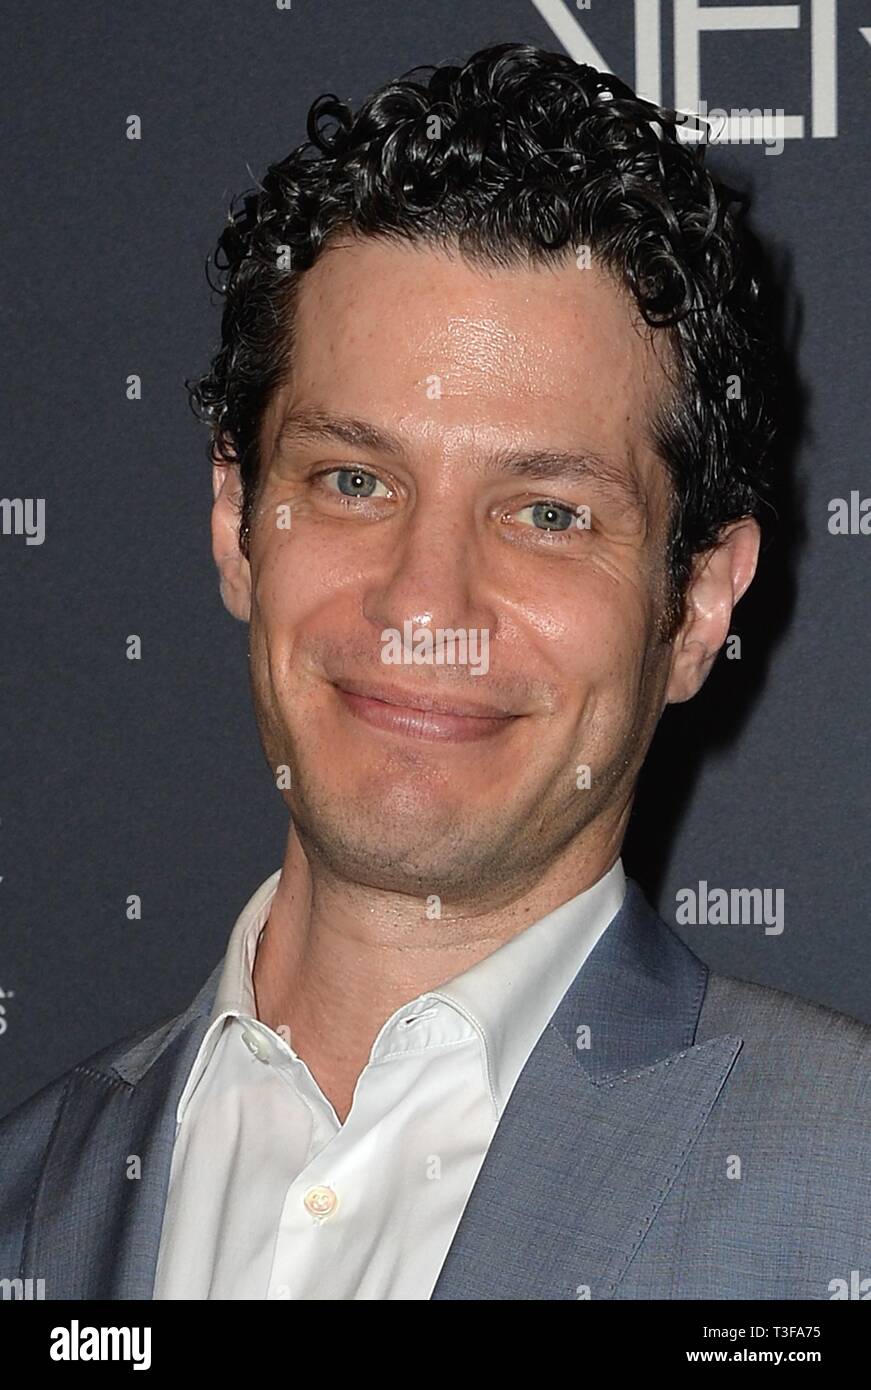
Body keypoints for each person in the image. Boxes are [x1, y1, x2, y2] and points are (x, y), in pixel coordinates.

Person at [1, 42, 868, 1302]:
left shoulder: (839, 1197)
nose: (425, 606)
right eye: (354, 481)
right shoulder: (28, 1209)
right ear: (236, 519)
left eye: (547, 512)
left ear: (695, 607)